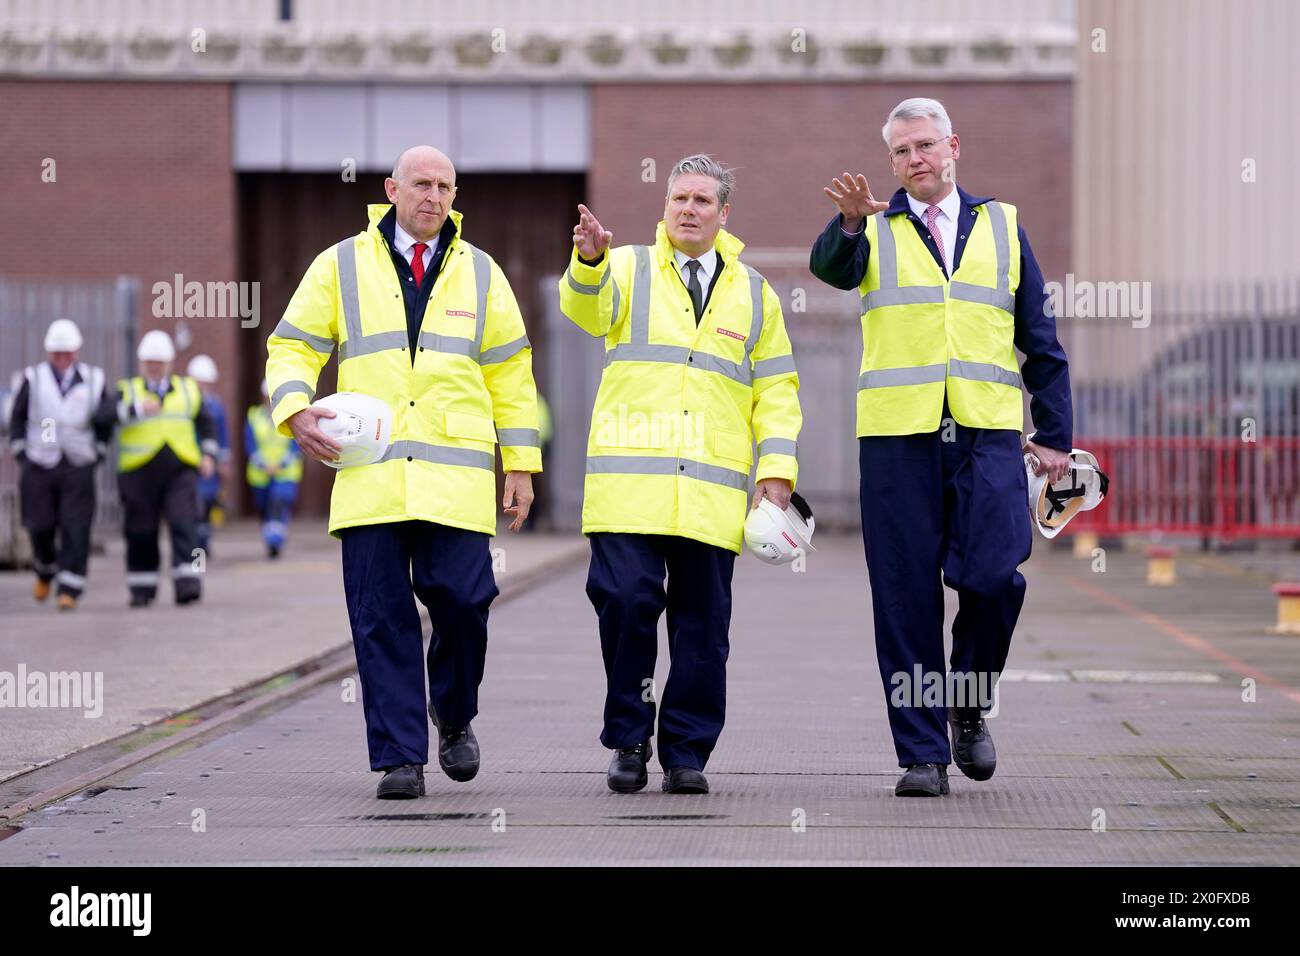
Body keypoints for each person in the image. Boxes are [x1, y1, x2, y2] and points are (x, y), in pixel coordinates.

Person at [809, 97, 1073, 796]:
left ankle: (969, 701)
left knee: (993, 577)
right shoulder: (872, 228)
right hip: (898, 437)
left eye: (925, 145)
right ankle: (921, 754)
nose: (914, 159)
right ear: (890, 161)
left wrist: (1055, 435)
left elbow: (1040, 342)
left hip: (986, 435)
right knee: (903, 595)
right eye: (901, 151)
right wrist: (847, 222)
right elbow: (830, 269)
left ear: (953, 145)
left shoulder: (1004, 225)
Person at [266, 145, 542, 800]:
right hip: (371, 477)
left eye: (446, 185)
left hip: (456, 479)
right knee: (380, 617)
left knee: (465, 602)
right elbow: (294, 344)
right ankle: (399, 758)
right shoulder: (341, 265)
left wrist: (522, 464)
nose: (435, 196)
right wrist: (293, 407)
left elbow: (512, 372)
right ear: (392, 189)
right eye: (422, 183)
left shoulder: (481, 273)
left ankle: (453, 711)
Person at [559, 154, 802, 795]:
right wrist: (587, 261)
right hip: (627, 491)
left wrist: (776, 470)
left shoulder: (752, 293)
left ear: (724, 214)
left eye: (701, 201)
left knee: (701, 631)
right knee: (627, 604)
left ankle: (687, 752)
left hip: (709, 495)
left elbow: (777, 387)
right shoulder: (627, 267)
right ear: (664, 206)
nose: (687, 210)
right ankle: (630, 739)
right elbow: (586, 311)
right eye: (678, 200)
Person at [6, 319, 116, 609]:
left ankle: (69, 588)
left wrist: (99, 450)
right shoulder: (34, 378)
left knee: (75, 526)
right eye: (56, 352)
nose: (61, 358)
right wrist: (21, 453)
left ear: (76, 352)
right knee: (39, 525)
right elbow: (16, 418)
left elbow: (104, 418)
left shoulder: (93, 379)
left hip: (78, 463)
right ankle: (45, 570)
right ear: (48, 353)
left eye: (66, 352)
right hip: (40, 463)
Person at [114, 330, 218, 607]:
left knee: (187, 524)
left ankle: (189, 583)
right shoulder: (127, 390)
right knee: (141, 530)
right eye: (150, 362)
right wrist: (135, 409)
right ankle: (141, 588)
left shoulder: (188, 389)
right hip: (139, 473)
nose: (155, 366)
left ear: (170, 363)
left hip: (180, 471)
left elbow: (206, 424)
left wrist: (208, 454)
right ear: (141, 363)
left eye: (159, 362)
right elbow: (104, 416)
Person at [245, 379, 302, 558]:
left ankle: (275, 542)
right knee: (264, 509)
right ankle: (271, 536)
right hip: (260, 474)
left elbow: (296, 445)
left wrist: (280, 465)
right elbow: (250, 444)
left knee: (278, 503)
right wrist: (263, 464)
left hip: (284, 473)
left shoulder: (289, 415)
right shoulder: (253, 416)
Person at [187, 354, 230, 556]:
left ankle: (203, 542)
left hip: (210, 464)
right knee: (194, 505)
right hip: (191, 462)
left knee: (208, 502)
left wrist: (223, 461)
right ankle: (196, 544)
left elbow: (222, 434)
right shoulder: (185, 403)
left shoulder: (216, 405)